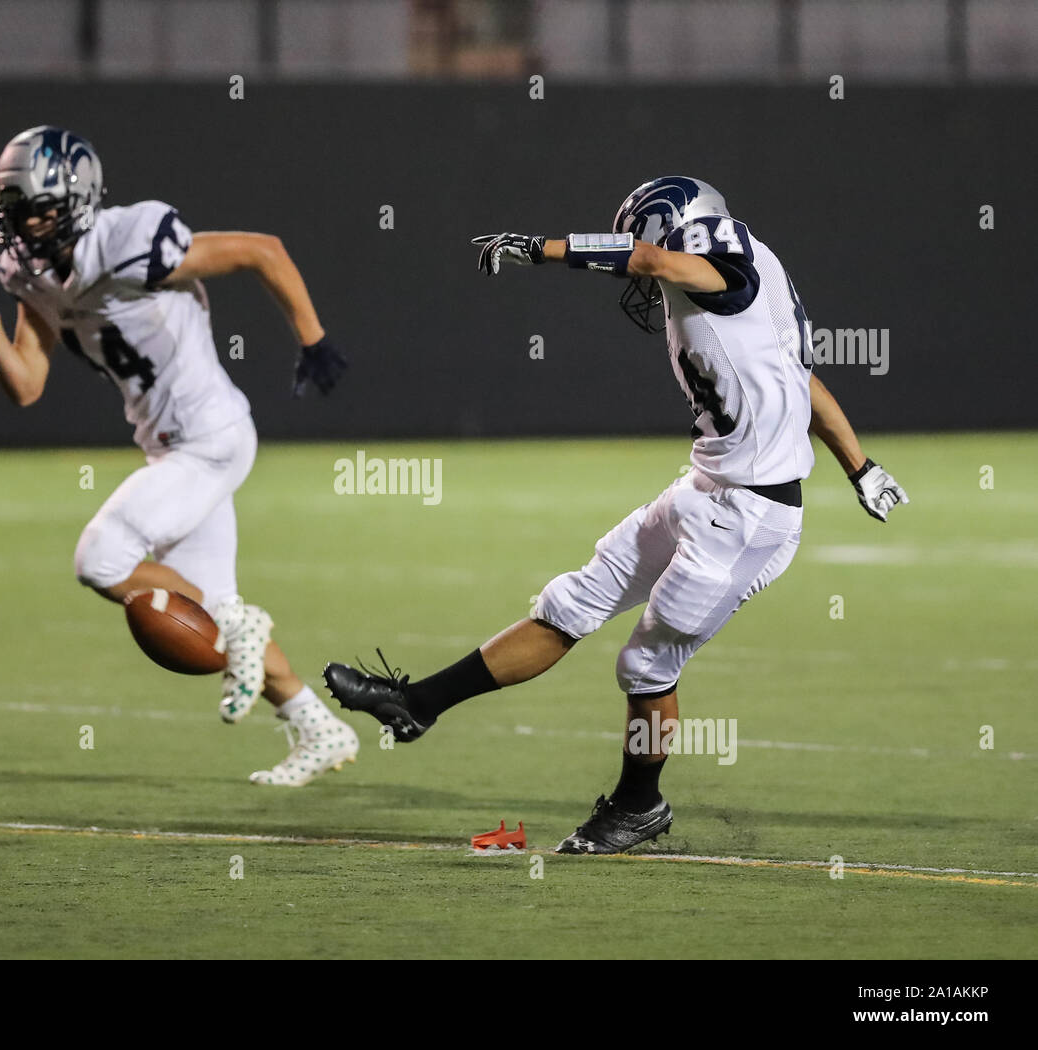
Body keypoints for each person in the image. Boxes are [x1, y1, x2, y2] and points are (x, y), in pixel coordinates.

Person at [325, 176, 908, 852]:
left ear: (676, 226)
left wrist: (537, 248)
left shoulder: (720, 255)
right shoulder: (743, 283)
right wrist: (859, 467)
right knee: (570, 603)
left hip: (748, 518)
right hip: (704, 490)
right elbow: (800, 382)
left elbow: (654, 261)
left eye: (642, 239)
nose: (636, 259)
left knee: (645, 669)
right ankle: (416, 705)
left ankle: (639, 807)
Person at [0, 126, 359, 786]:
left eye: (40, 207)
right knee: (210, 605)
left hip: (211, 439)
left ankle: (240, 624)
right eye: (16, 210)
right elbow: (27, 383)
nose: (27, 224)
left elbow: (263, 251)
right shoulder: (29, 269)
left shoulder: (129, 240)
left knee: (101, 557)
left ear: (78, 198)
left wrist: (313, 342)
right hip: (170, 450)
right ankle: (317, 725)